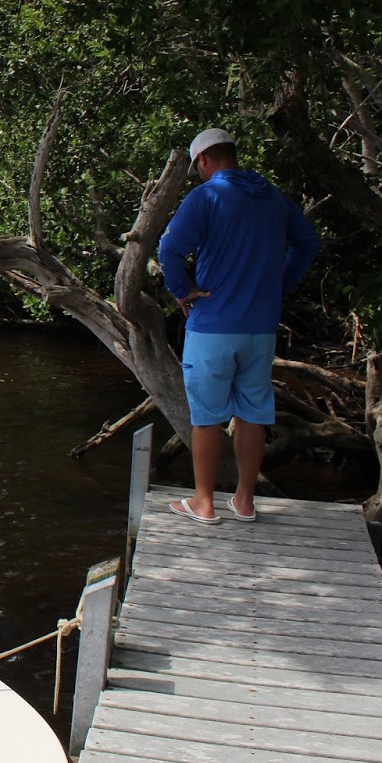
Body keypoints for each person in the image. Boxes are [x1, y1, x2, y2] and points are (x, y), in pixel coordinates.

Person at [158, 127, 321, 524]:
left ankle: (204, 502)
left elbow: (168, 249)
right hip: (260, 328)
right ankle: (245, 502)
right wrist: (280, 283)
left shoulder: (206, 196)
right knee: (252, 413)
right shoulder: (273, 197)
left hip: (213, 325)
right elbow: (308, 243)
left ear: (204, 161)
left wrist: (183, 290)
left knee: (207, 417)